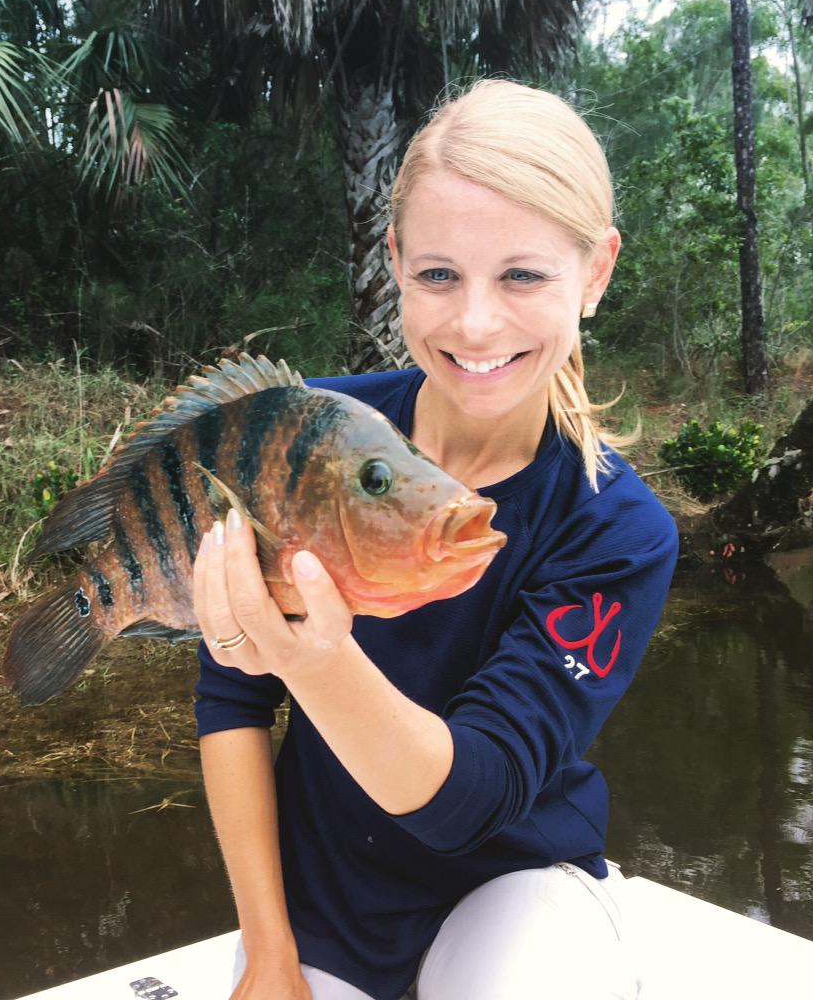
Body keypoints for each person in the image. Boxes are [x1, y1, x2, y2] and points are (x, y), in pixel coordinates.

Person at [191, 78, 679, 1000]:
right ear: (395, 264)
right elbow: (230, 699)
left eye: (524, 274)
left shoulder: (617, 528)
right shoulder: (310, 433)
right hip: (322, 903)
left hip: (514, 884)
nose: (476, 322)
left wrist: (315, 659)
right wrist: (269, 951)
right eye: (439, 274)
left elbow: (474, 799)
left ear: (598, 274)